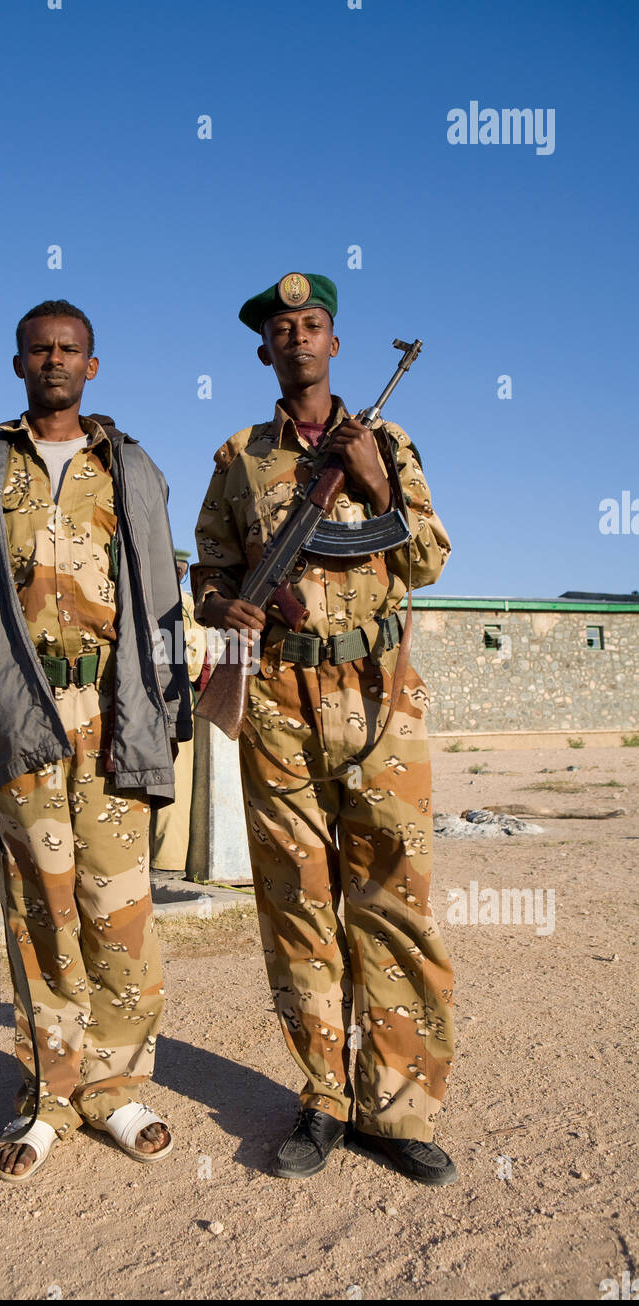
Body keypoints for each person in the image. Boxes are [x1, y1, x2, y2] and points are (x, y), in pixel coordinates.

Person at [191, 273, 457, 1184]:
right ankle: (323, 1100)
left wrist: (381, 483)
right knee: (300, 908)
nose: (298, 337)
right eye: (281, 328)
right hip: (277, 705)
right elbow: (208, 576)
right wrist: (236, 606)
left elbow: (427, 559)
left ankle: (399, 1107)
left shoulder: (390, 440)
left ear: (335, 344)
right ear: (264, 349)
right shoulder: (237, 457)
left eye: (313, 324)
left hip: (383, 701)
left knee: (394, 904)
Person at [0, 299, 191, 1181]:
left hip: (114, 713)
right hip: (21, 714)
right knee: (40, 910)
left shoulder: (130, 467)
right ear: (18, 365)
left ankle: (112, 1089)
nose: (54, 359)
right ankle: (50, 1093)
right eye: (39, 348)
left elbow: (163, 596)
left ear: (93, 366)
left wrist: (169, 712)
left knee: (119, 913)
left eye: (70, 348)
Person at [150, 550, 207, 879]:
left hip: (168, 696)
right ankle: (163, 859)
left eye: (181, 570)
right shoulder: (178, 604)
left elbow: (193, 655)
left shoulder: (181, 603)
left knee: (172, 779)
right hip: (163, 697)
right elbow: (193, 654)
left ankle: (167, 859)